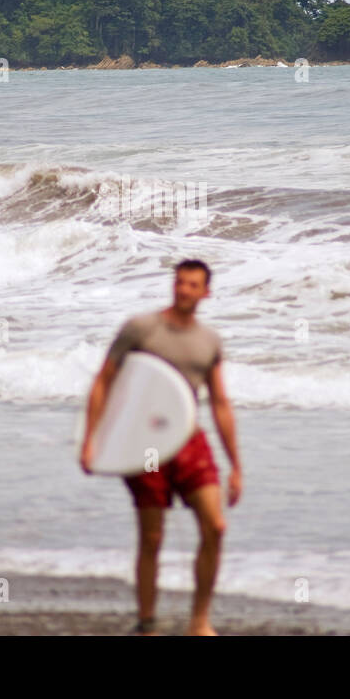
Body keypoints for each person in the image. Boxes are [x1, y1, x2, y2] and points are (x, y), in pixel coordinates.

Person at [81, 259, 242, 635]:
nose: (184, 290)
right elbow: (105, 381)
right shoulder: (141, 329)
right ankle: (147, 622)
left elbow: (220, 403)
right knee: (152, 537)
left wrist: (236, 465)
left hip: (188, 441)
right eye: (180, 282)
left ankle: (199, 622)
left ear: (206, 292)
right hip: (145, 444)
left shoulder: (209, 341)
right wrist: (91, 441)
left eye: (193, 285)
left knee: (215, 526)